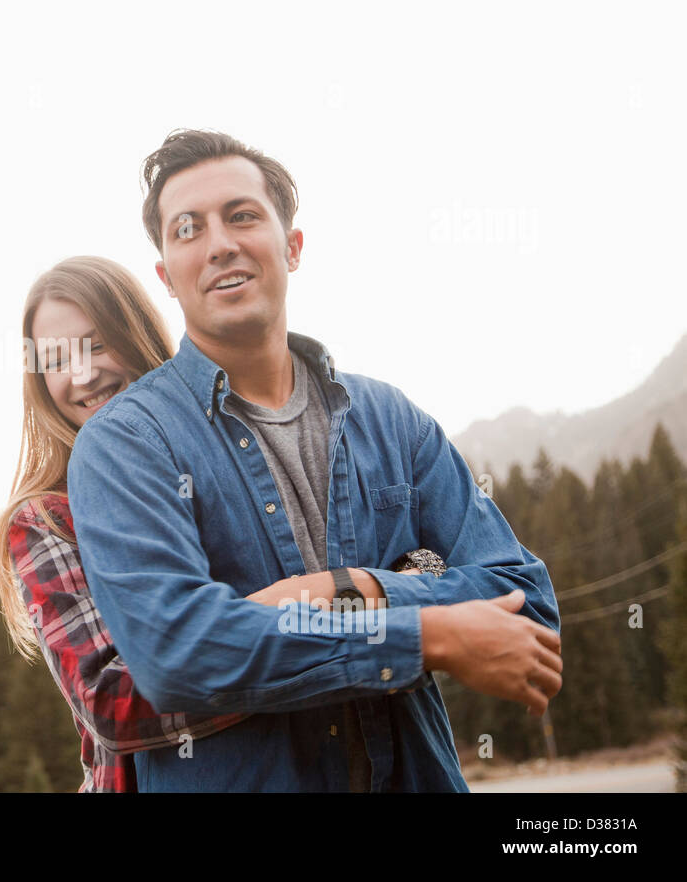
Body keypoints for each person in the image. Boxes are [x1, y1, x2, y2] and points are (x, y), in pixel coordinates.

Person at [65, 129, 564, 792]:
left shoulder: (393, 421)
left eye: (242, 215)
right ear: (167, 277)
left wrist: (354, 589)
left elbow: (525, 598)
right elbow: (178, 650)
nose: (219, 244)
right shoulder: (125, 443)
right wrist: (425, 633)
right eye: (187, 229)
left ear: (291, 246)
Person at [0, 256, 253, 792]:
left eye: (99, 343)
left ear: (140, 334)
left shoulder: (237, 455)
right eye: (57, 359)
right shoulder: (46, 520)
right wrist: (314, 653)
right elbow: (114, 701)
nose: (83, 375)